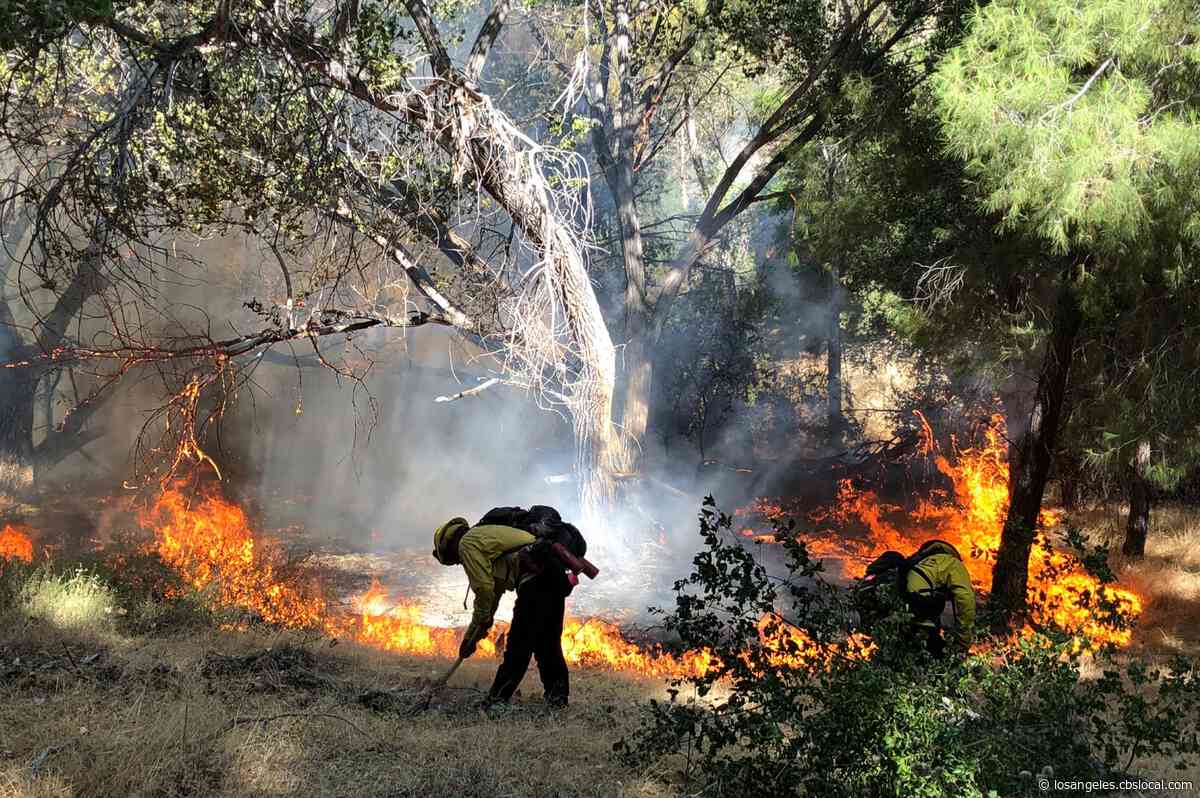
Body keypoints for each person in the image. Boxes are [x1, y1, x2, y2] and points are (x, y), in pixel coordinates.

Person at [432, 515, 572, 707]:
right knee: (547, 645)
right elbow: (491, 599)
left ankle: (496, 702)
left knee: (518, 646)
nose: (459, 563)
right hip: (553, 575)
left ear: (448, 547)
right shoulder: (485, 540)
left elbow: (483, 589)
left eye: (454, 561)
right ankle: (557, 700)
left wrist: (477, 627)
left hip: (535, 582)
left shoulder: (467, 543)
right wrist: (473, 636)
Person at [859, 539, 976, 657]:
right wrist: (963, 641)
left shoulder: (916, 563)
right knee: (939, 664)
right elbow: (965, 599)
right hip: (917, 623)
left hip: (889, 623)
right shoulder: (952, 562)